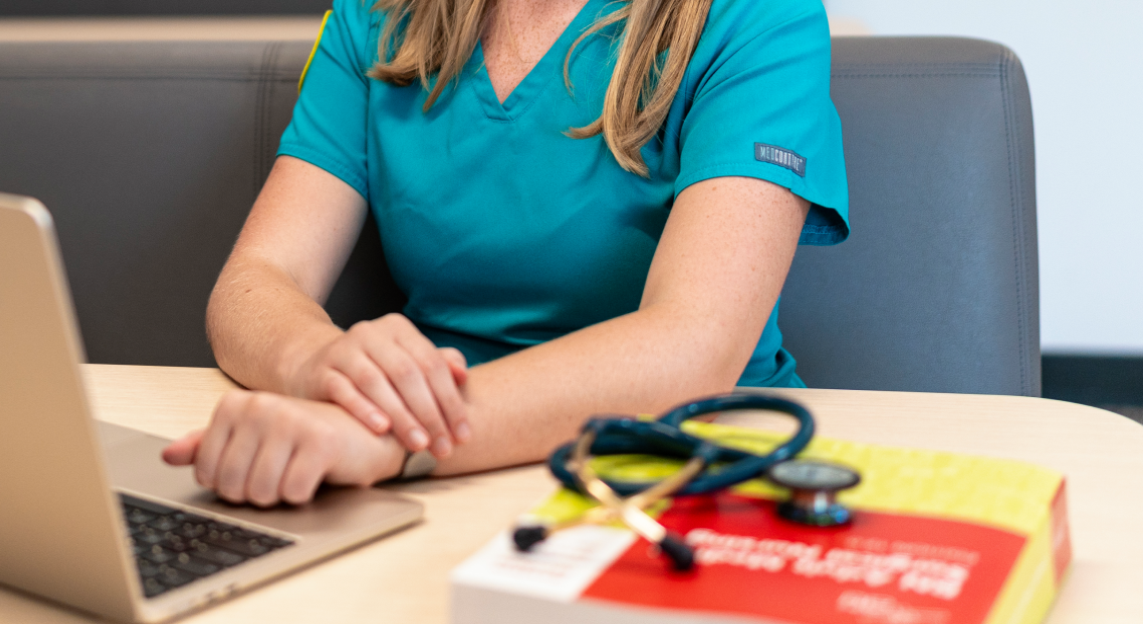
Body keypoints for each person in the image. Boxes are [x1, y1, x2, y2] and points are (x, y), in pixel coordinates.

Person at [163, 0, 850, 507]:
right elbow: (259, 277)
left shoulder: (762, 17)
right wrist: (319, 366)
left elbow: (696, 345)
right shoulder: (376, 14)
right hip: (431, 476)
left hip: (687, 459)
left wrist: (391, 440)